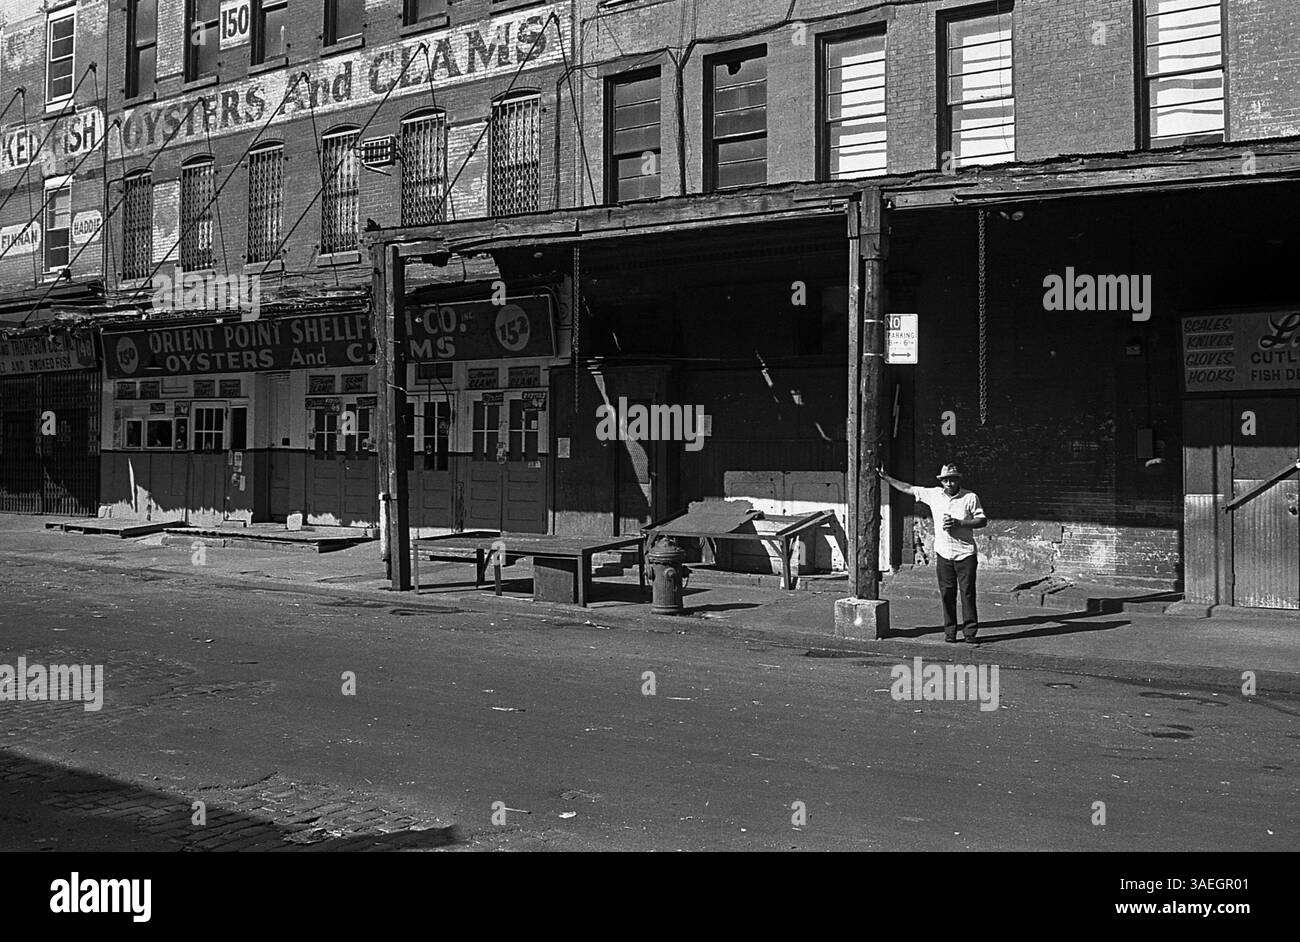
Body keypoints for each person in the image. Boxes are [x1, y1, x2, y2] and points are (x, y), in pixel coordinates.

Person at [878, 463, 987, 644]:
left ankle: (970, 632)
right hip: (943, 553)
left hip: (965, 553)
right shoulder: (934, 494)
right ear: (941, 482)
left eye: (952, 479)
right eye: (946, 480)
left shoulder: (970, 497)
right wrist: (886, 477)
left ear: (958, 480)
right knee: (947, 593)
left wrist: (960, 523)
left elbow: (982, 520)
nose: (949, 483)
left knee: (967, 593)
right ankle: (950, 632)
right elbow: (908, 488)